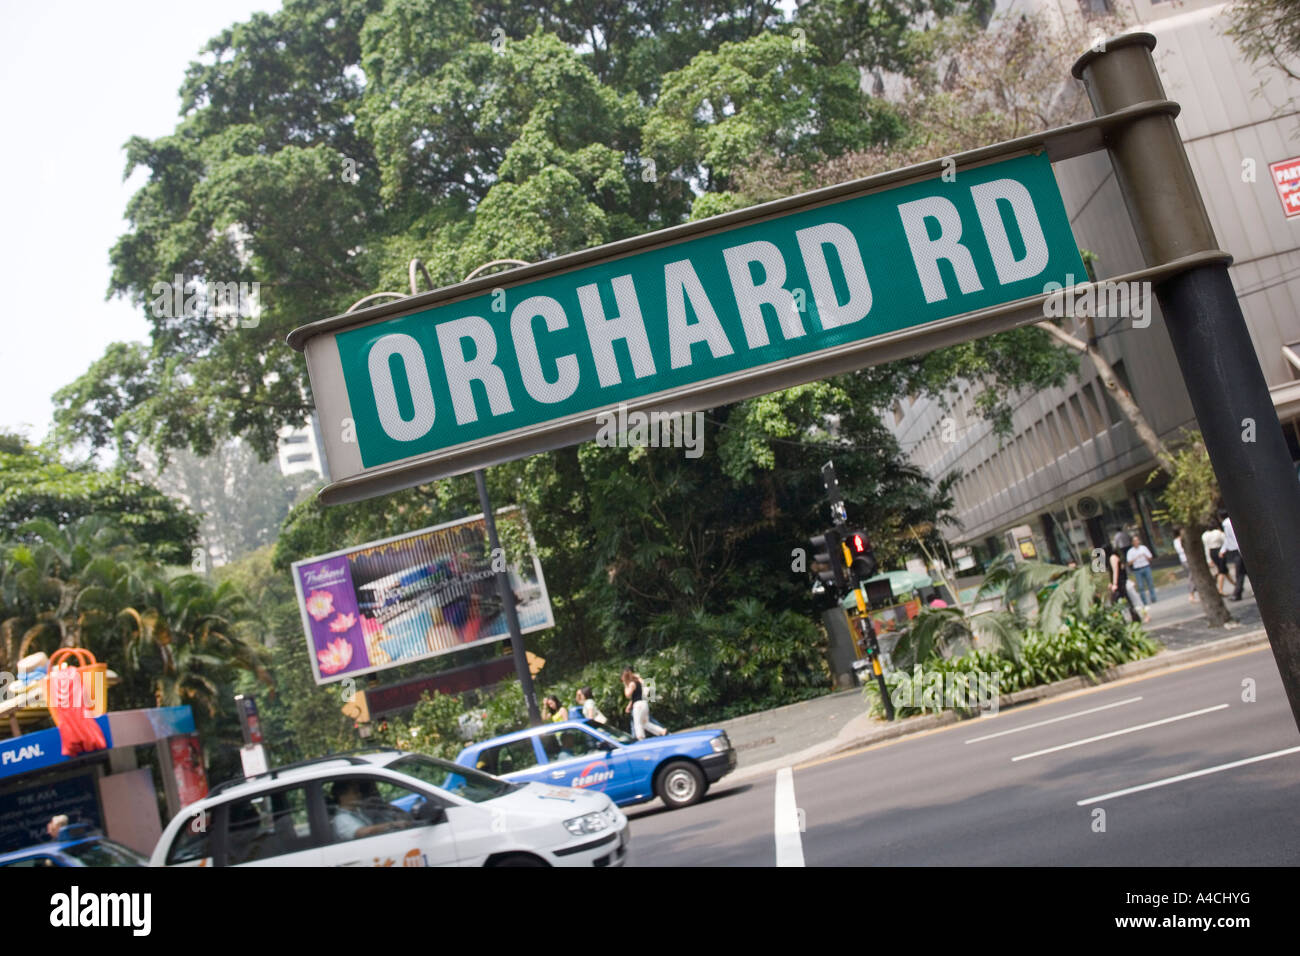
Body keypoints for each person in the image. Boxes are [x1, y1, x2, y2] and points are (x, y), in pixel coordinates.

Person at [329, 779, 411, 841]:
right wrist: (392, 824)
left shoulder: (358, 811)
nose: (359, 794)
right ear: (342, 796)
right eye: (355, 792)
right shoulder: (341, 819)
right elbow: (361, 832)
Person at [622, 667, 668, 740]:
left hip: (638, 706)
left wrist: (625, 685)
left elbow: (627, 695)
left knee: (637, 723)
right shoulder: (638, 681)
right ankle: (661, 731)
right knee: (645, 723)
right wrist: (629, 705)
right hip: (643, 703)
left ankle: (641, 738)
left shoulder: (631, 684)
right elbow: (635, 696)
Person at [1106, 542, 1142, 624]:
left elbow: (1115, 571)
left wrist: (1114, 583)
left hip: (1119, 583)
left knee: (1115, 602)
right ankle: (1134, 617)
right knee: (1127, 600)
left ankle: (1121, 619)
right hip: (1122, 582)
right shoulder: (1117, 557)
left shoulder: (1112, 558)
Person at [1219, 513, 1249, 601]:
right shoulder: (1229, 523)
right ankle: (1237, 593)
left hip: (1237, 551)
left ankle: (1237, 593)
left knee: (1239, 573)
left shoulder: (1227, 524)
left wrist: (1223, 549)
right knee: (1242, 572)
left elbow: (1231, 538)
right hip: (1237, 550)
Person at [1126, 534, 1157, 606]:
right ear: (1132, 542)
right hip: (1137, 569)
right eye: (1135, 541)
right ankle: (1144, 601)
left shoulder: (1143, 548)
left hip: (1146, 567)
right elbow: (1129, 562)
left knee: (1150, 583)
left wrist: (1145, 556)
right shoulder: (1130, 552)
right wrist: (1136, 558)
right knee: (1141, 586)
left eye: (1137, 540)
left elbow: (1150, 558)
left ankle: (1153, 598)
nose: (1136, 542)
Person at [1202, 525, 1228, 595]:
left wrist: (1208, 559)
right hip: (1219, 550)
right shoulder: (1218, 532)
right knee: (1221, 570)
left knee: (1224, 569)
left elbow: (1206, 547)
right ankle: (1220, 589)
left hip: (1211, 552)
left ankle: (1236, 584)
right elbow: (1225, 540)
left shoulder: (1204, 535)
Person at [1173, 533, 1197, 602]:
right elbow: (1180, 550)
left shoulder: (1183, 539)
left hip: (1189, 558)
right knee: (1191, 576)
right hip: (1185, 559)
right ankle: (1191, 594)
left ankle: (1193, 593)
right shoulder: (1177, 541)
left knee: (1194, 575)